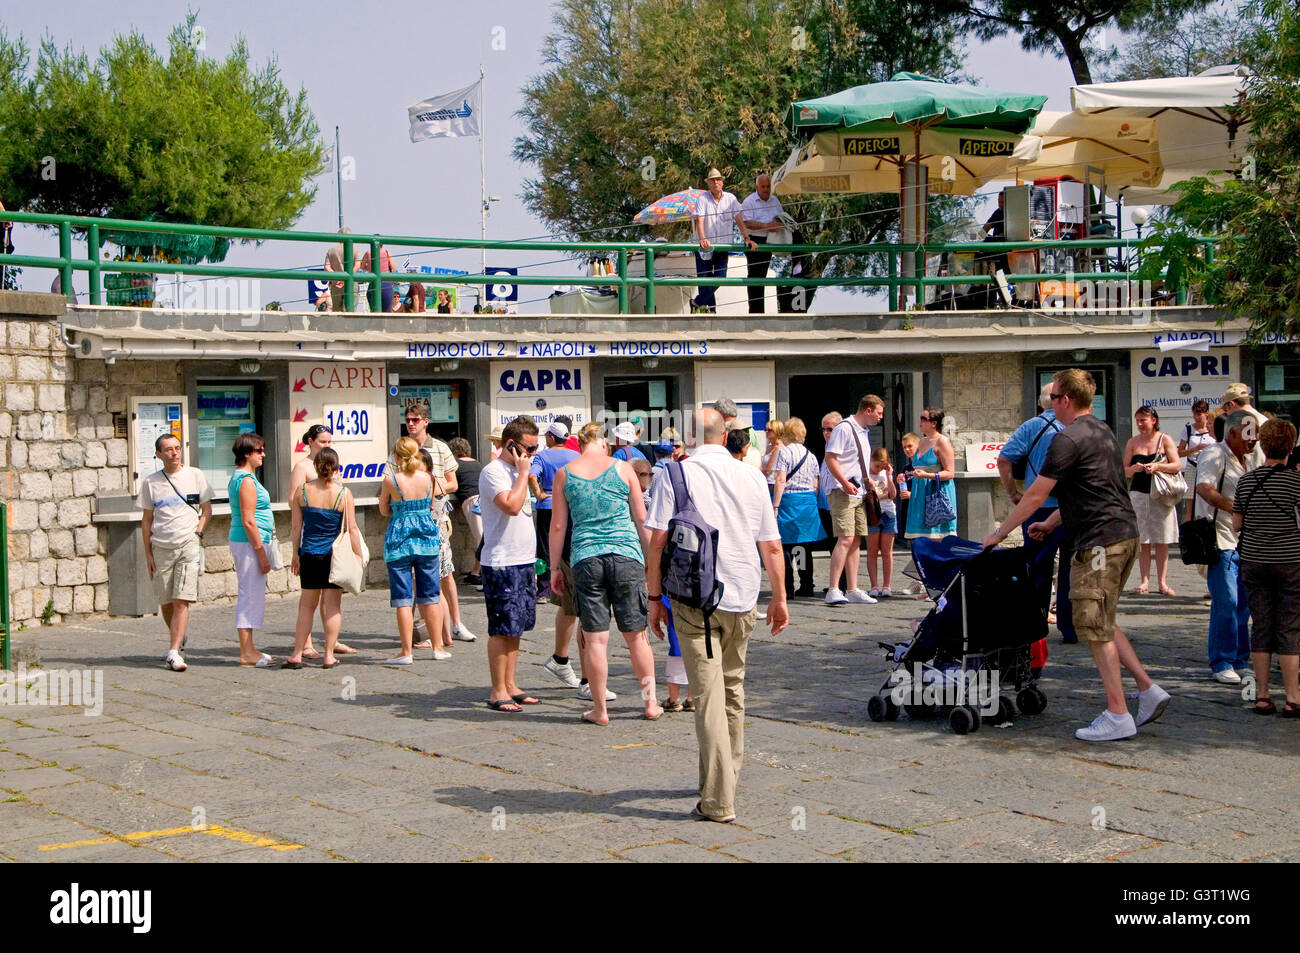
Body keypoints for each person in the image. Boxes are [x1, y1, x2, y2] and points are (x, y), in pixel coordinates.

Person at [982, 369, 1170, 742]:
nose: (1050, 405)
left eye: (1053, 398)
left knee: (1091, 624)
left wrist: (999, 533)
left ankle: (1117, 713)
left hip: (1099, 541)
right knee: (1103, 618)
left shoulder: (1066, 439)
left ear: (1065, 400)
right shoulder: (1102, 430)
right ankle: (1148, 689)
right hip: (1124, 533)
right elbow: (1092, 490)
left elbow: (1035, 494)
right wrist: (1051, 524)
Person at [645, 407, 788, 822]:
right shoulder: (752, 475)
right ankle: (726, 779)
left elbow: (656, 542)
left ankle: (718, 800)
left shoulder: (674, 474)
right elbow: (772, 545)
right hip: (742, 596)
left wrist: (655, 598)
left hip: (693, 598)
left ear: (688, 439)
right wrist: (779, 597)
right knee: (732, 692)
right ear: (726, 437)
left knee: (707, 697)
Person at [550, 422, 661, 724]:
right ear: (604, 443)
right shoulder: (623, 469)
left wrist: (553, 567)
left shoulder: (565, 474)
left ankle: (600, 709)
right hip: (626, 555)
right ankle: (650, 703)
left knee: (595, 639)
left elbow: (558, 525)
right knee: (637, 636)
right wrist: (652, 560)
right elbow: (641, 517)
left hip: (585, 558)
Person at [996, 383, 1073, 642]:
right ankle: (1069, 624)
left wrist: (1014, 494)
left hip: (1037, 508)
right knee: (1071, 568)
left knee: (1038, 568)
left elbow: (1004, 459)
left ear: (1042, 402)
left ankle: (1036, 623)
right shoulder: (1075, 425)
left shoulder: (1030, 427)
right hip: (1071, 507)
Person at [1234, 419, 1300, 715]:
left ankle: (1261, 695)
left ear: (1262, 445)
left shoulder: (1246, 481)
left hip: (1254, 560)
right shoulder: (1297, 483)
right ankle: (1292, 696)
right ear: (1291, 446)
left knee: (1261, 624)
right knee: (1289, 626)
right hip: (1290, 561)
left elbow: (1237, 524)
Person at [480, 416, 543, 712]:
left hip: (523, 559)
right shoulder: (493, 472)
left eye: (535, 448)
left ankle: (511, 683)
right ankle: (497, 690)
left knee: (516, 626)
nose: (532, 454)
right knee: (501, 627)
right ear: (510, 445)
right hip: (501, 561)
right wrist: (522, 474)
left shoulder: (518, 470)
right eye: (528, 448)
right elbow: (512, 506)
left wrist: (524, 473)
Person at [399, 403, 473, 644]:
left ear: (425, 422)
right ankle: (416, 630)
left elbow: (453, 483)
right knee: (412, 576)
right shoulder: (401, 449)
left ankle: (456, 624)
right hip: (410, 518)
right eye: (408, 419)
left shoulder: (440, 448)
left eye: (415, 420)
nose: (411, 424)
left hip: (436, 517)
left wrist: (431, 485)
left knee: (445, 572)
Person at [139, 434, 213, 672]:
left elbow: (206, 510)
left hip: (188, 545)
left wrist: (198, 533)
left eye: (177, 448)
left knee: (182, 599)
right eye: (168, 450)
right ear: (159, 454)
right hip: (161, 547)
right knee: (166, 600)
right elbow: (147, 520)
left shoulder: (195, 475)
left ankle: (173, 651)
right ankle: (179, 637)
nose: (174, 453)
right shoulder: (151, 483)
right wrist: (148, 554)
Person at [1195, 410, 1258, 684]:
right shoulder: (1214, 454)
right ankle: (1222, 660)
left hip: (1250, 541)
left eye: (1255, 434)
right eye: (1247, 434)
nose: (1253, 439)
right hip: (1221, 538)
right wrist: (1235, 509)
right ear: (1231, 433)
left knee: (1244, 602)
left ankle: (1241, 658)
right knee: (1227, 601)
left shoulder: (1254, 457)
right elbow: (1204, 488)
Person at [285, 449, 364, 670]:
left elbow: (295, 527)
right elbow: (353, 529)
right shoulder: (343, 494)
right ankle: (329, 654)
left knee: (306, 606)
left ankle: (297, 653)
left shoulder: (302, 492)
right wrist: (358, 555)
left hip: (309, 553)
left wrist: (295, 553)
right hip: (333, 556)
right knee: (332, 607)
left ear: (316, 467)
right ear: (336, 468)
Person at [379, 437, 447, 664]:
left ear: (396, 456)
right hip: (427, 539)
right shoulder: (428, 478)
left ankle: (406, 652)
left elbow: (383, 510)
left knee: (403, 598)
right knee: (431, 595)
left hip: (399, 540)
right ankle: (438, 647)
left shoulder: (391, 480)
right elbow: (433, 500)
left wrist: (400, 510)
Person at [824, 395, 885, 605]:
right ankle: (833, 588)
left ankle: (852, 588)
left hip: (858, 490)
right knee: (846, 537)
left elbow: (856, 460)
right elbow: (830, 457)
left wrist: (866, 481)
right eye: (878, 413)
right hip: (843, 490)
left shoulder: (862, 431)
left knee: (857, 538)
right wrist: (843, 482)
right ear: (867, 410)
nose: (880, 417)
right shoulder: (844, 428)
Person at [228, 433, 277, 667]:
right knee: (249, 594)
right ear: (246, 453)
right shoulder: (246, 480)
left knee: (252, 594)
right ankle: (246, 651)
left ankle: (250, 647)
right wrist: (261, 553)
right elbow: (249, 520)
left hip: (250, 542)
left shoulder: (245, 478)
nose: (263, 455)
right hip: (248, 543)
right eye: (259, 451)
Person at [1122, 406, 1181, 595]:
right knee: (1143, 539)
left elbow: (1177, 465)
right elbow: (1123, 470)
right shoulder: (1132, 442)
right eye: (1137, 420)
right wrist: (1134, 469)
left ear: (1153, 420)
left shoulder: (1165, 439)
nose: (1139, 424)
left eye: (1143, 420)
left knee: (1162, 539)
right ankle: (1144, 581)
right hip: (1139, 493)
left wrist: (1157, 466)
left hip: (1161, 494)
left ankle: (1163, 582)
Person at [771, 417, 824, 599]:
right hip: (807, 502)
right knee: (802, 546)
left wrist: (775, 505)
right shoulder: (811, 455)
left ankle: (788, 587)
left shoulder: (784, 453)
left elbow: (780, 480)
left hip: (788, 501)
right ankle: (806, 585)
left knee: (786, 545)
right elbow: (816, 484)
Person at [691, 168, 756, 313]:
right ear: (708, 183)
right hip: (704, 247)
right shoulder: (702, 199)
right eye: (712, 180)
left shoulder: (731, 199)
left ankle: (696, 302)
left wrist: (747, 237)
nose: (716, 182)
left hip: (722, 246)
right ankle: (711, 312)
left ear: (722, 182)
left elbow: (739, 220)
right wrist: (703, 238)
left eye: (718, 179)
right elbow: (699, 221)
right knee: (705, 281)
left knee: (720, 278)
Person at [532, 421, 580, 599]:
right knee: (570, 543)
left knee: (545, 547)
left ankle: (544, 589)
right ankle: (572, 582)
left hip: (548, 506)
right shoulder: (575, 455)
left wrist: (538, 493)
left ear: (551, 437)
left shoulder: (542, 456)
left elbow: (531, 475)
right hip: (570, 505)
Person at [904, 407, 957, 540]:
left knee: (937, 539)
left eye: (923, 418)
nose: (920, 421)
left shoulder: (942, 441)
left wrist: (927, 476)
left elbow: (950, 473)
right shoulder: (921, 441)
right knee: (920, 539)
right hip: (919, 494)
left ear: (934, 423)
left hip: (935, 495)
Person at [740, 173, 785, 314]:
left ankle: (761, 312)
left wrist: (780, 226)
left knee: (763, 276)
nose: (766, 189)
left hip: (771, 240)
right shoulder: (749, 201)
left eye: (768, 186)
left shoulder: (774, 200)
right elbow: (746, 223)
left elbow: (781, 218)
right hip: (754, 240)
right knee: (755, 277)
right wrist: (767, 226)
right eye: (763, 187)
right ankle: (755, 312)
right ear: (757, 187)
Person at [816, 412, 846, 595]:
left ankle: (843, 584)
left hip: (836, 502)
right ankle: (837, 582)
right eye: (823, 429)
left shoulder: (841, 449)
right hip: (825, 503)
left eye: (830, 429)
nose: (826, 432)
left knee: (840, 543)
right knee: (831, 545)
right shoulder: (828, 447)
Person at [448, 438, 484, 586]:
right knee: (483, 538)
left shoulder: (455, 465)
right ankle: (476, 572)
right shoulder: (476, 463)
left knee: (481, 539)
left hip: (472, 501)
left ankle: (483, 574)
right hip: (483, 500)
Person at [865, 447, 898, 598]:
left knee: (887, 552)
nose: (878, 469)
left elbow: (892, 494)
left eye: (882, 466)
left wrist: (889, 476)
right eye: (876, 465)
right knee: (872, 551)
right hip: (873, 514)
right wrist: (879, 494)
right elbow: (869, 495)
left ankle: (887, 585)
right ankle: (874, 585)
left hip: (889, 513)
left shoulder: (885, 474)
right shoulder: (866, 475)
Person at [1177, 400, 1215, 523]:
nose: (1197, 417)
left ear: (1206, 414)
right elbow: (1179, 452)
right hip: (1192, 467)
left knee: (1207, 501)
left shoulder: (1212, 429)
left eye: (1199, 414)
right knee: (1190, 505)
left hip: (1208, 468)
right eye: (1195, 414)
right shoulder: (1188, 429)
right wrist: (1195, 449)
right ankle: (1188, 533)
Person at [1220, 383, 1268, 468]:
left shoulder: (1247, 421)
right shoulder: (1264, 419)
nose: (1226, 413)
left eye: (1225, 409)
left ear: (1231, 404)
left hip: (1253, 472)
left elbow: (1247, 451)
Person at [359, 245, 397, 315]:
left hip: (373, 284)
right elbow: (394, 267)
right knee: (387, 314)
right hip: (386, 284)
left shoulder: (368, 253)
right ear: (382, 245)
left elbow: (361, 266)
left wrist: (370, 268)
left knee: (374, 313)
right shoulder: (386, 252)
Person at [760, 419, 785, 496]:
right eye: (766, 429)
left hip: (772, 484)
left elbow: (768, 470)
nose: (767, 432)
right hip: (766, 482)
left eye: (770, 430)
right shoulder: (769, 446)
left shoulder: (779, 448)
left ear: (777, 431)